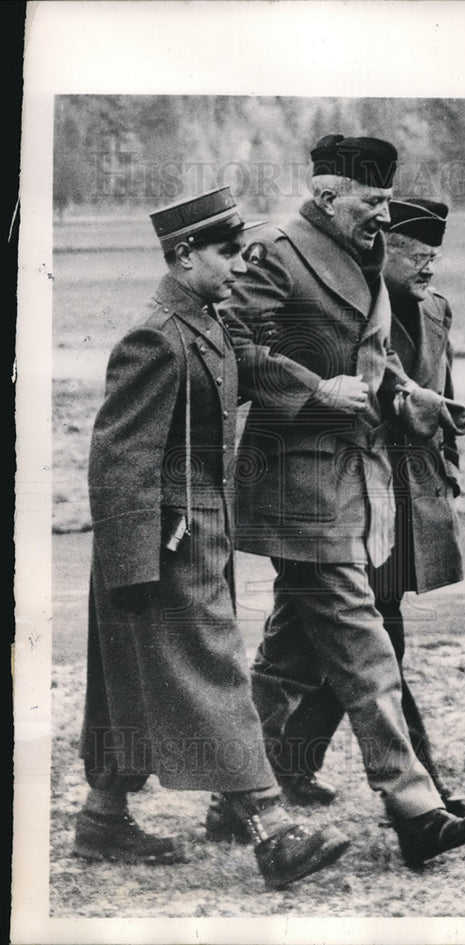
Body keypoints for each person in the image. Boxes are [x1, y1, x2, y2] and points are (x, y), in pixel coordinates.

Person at [213, 135, 465, 867]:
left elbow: (372, 353)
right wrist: (310, 389)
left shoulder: (359, 250)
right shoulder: (276, 251)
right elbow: (228, 345)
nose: (383, 216)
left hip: (352, 480)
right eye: (371, 203)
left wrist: (409, 394)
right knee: (366, 647)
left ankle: (235, 790)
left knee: (289, 655)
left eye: (386, 203)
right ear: (329, 196)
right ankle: (415, 807)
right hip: (298, 483)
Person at [73, 186, 350, 891]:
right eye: (228, 253)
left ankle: (104, 816)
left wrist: (316, 388)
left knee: (125, 676)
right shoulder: (154, 336)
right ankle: (269, 827)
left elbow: (247, 365)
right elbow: (117, 455)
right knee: (217, 675)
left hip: (193, 531)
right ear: (186, 252)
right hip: (164, 541)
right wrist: (133, 568)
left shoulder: (204, 320)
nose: (239, 265)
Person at [264, 198, 465, 821]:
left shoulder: (437, 309)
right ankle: (426, 794)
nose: (429, 268)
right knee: (376, 644)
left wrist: (448, 473)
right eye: (417, 255)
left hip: (410, 498)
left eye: (434, 256)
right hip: (353, 498)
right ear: (381, 253)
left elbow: (443, 397)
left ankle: (277, 770)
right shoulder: (346, 311)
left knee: (313, 645)